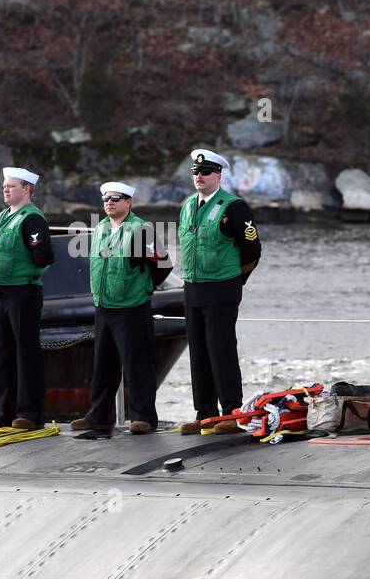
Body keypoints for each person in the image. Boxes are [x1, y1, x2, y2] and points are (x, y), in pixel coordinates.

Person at [71, 181, 170, 436]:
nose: (109, 202)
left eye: (116, 198)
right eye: (106, 198)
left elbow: (162, 267)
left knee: (138, 364)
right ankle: (99, 416)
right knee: (103, 366)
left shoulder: (141, 230)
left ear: (128, 202)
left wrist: (140, 287)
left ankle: (143, 417)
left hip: (131, 307)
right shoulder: (102, 227)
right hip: (104, 307)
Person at [176, 149, 261, 435]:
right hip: (193, 287)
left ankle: (231, 413)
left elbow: (252, 248)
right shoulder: (188, 205)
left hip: (222, 288)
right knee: (198, 352)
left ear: (218, 176)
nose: (199, 177)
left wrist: (236, 281)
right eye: (196, 172)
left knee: (221, 350)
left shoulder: (233, 207)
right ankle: (205, 414)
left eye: (206, 172)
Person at [0, 166, 54, 431]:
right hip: (0, 291)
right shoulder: (2, 217)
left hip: (23, 292)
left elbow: (43, 256)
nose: (5, 189)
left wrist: (25, 272)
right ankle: (3, 411)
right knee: (2, 352)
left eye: (11, 186)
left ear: (27, 189)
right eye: (4, 186)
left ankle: (30, 413)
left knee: (26, 352)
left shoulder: (32, 219)